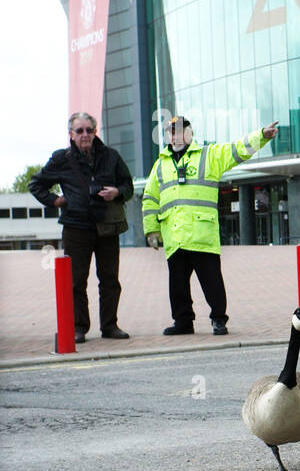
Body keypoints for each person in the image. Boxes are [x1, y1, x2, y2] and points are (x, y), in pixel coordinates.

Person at [142, 115, 278, 335]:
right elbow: (150, 198)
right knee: (177, 285)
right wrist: (151, 230)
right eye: (171, 132)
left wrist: (260, 136)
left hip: (201, 234)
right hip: (174, 236)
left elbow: (237, 150)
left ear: (190, 133)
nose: (174, 135)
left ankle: (218, 319)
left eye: (179, 130)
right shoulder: (161, 164)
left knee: (212, 281)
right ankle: (183, 322)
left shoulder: (209, 155)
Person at [29, 112, 134, 343]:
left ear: (95, 131)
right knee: (76, 281)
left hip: (107, 226)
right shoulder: (61, 159)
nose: (85, 134)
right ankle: (78, 327)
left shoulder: (111, 156)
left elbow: (128, 185)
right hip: (76, 227)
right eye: (80, 130)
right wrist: (55, 201)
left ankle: (110, 325)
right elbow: (36, 184)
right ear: (71, 134)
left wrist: (117, 192)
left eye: (89, 130)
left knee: (109, 279)